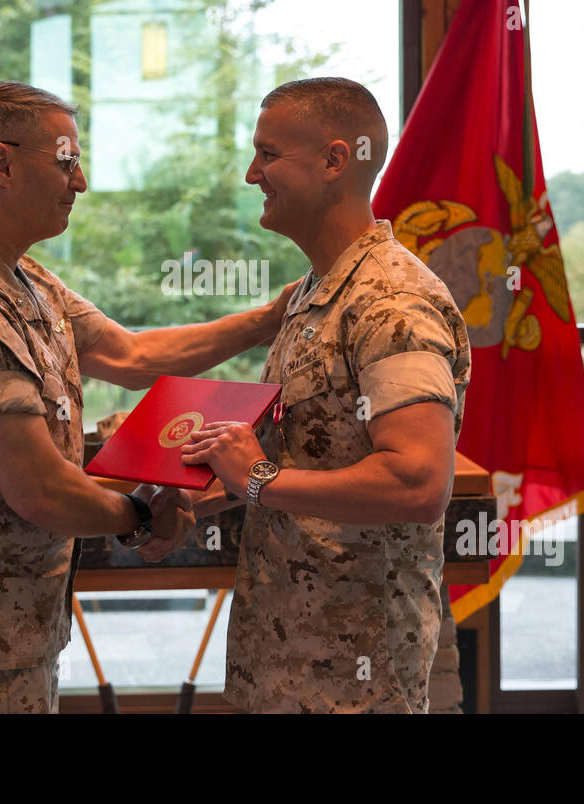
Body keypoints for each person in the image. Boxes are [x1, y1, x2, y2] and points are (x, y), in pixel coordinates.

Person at [0, 81, 293, 713]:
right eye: (66, 161)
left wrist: (268, 318)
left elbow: (132, 356)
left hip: (6, 628)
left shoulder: (22, 277)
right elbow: (41, 491)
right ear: (1, 163)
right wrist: (145, 516)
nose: (82, 181)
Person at [176, 77, 472, 713]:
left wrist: (255, 478)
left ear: (337, 161)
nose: (252, 173)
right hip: (286, 656)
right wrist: (177, 504)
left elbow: (418, 484)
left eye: (269, 154)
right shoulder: (313, 295)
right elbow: (300, 463)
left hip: (354, 676)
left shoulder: (393, 302)